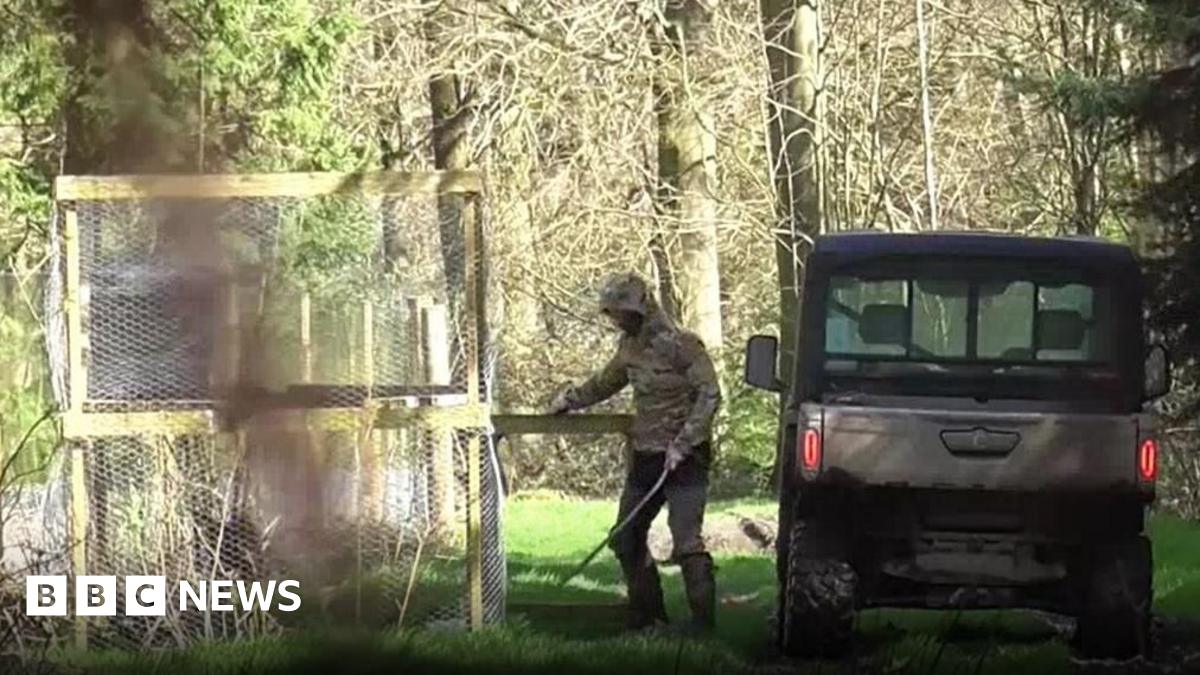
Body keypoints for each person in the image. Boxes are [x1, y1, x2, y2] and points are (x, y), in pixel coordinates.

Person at [548, 272, 722, 634]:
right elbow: (605, 383)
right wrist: (570, 400)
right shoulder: (629, 348)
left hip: (686, 458)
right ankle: (649, 617)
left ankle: (702, 626)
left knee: (686, 541)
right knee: (625, 537)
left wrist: (684, 442)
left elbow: (709, 394)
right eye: (611, 313)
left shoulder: (684, 344)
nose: (616, 320)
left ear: (638, 309)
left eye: (620, 312)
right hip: (647, 456)